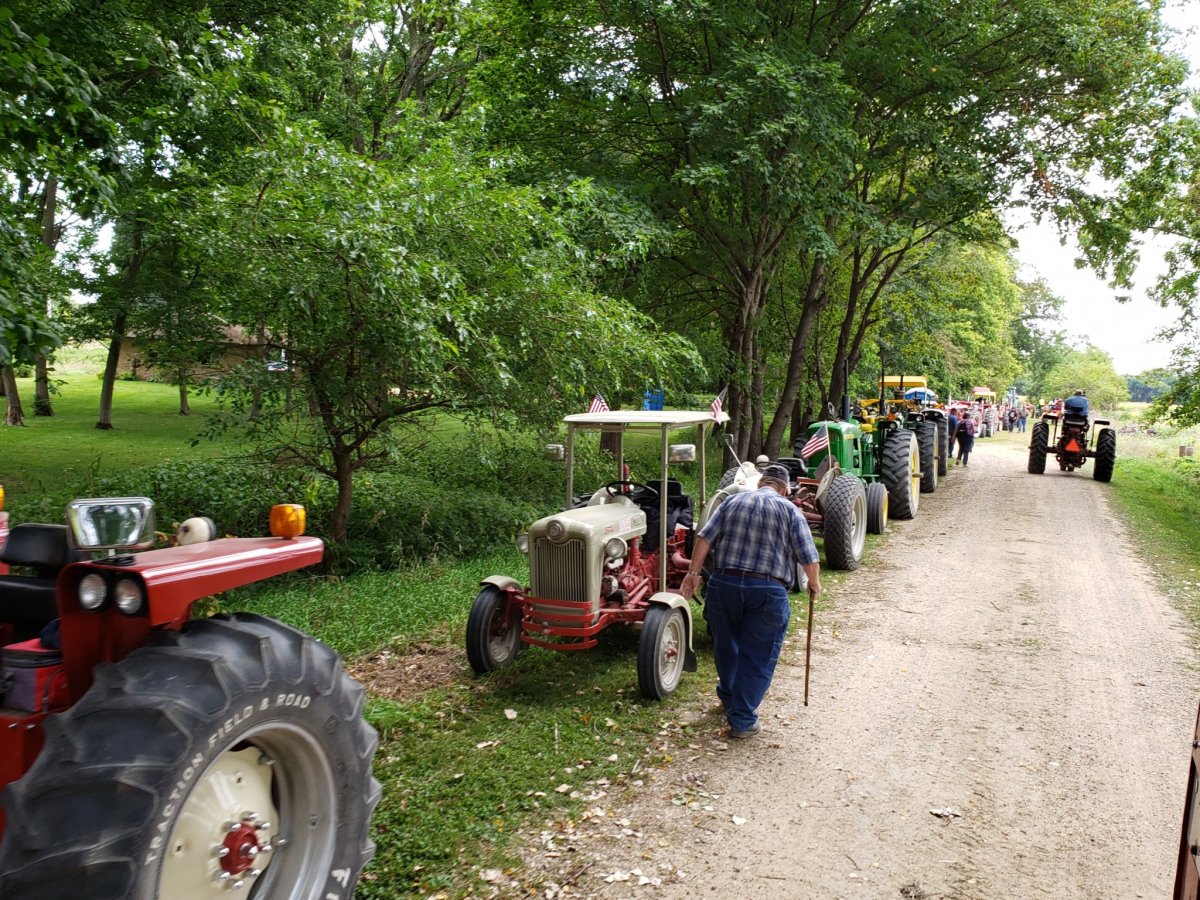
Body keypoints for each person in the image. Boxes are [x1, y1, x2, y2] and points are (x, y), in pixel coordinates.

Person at [679, 465, 821, 740]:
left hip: (724, 585)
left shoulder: (732, 501)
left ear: (760, 484)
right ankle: (742, 719)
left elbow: (704, 538)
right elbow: (807, 554)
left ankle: (730, 696)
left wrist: (693, 574)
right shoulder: (790, 510)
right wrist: (814, 584)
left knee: (726, 646)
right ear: (786, 488)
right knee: (758, 655)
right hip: (767, 590)